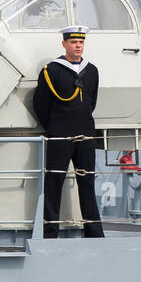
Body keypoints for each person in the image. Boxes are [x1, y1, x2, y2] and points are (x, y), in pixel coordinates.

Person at [32, 26, 104, 238]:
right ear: (64, 44)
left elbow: (91, 102)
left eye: (81, 42)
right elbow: (40, 105)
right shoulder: (51, 70)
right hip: (59, 134)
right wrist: (55, 126)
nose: (78, 46)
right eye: (73, 42)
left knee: (87, 184)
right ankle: (50, 232)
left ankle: (94, 232)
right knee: (53, 184)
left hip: (85, 134)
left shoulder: (92, 71)